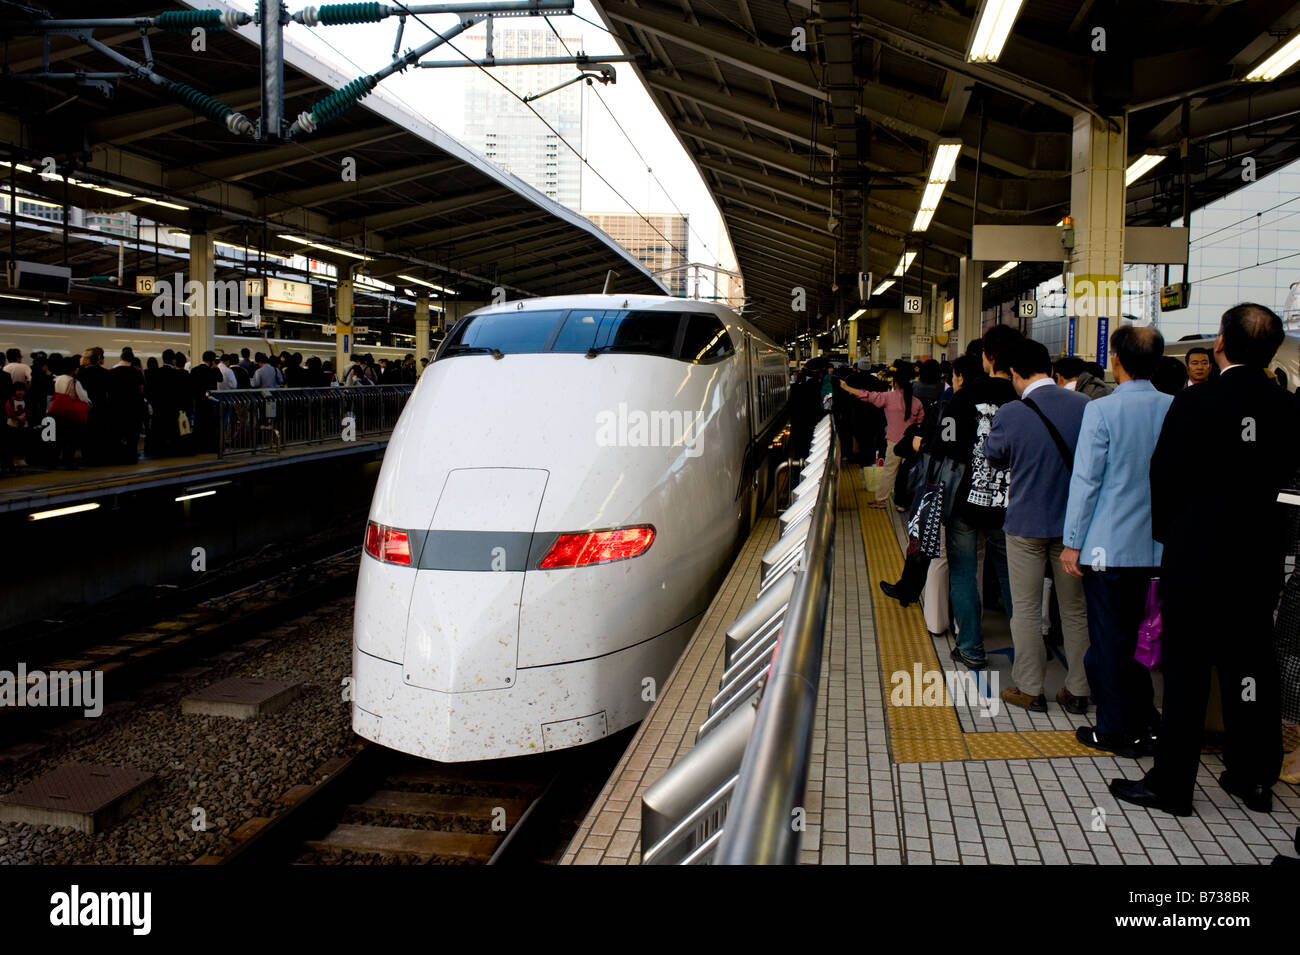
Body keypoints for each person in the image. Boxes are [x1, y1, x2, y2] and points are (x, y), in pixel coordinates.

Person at [1112, 304, 1300, 816]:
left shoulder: (1195, 402)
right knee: (1251, 666)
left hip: (1196, 557)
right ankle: (1254, 777)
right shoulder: (1286, 407)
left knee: (1188, 671)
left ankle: (1173, 784)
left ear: (1220, 344)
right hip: (1258, 559)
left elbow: (1164, 476)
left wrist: (1173, 536)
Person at [1061, 325, 1172, 757]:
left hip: (1108, 547)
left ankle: (1112, 728)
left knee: (1110, 640)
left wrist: (1073, 542)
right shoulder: (1175, 407)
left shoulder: (1102, 411)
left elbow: (1087, 481)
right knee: (1144, 637)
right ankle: (1146, 717)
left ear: (1116, 361)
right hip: (1159, 548)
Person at [982, 338, 1092, 712]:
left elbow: (995, 456)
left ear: (1014, 373)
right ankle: (1078, 689)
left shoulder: (1012, 412)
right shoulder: (1085, 406)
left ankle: (1029, 688)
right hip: (1073, 528)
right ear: (1051, 369)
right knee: (1074, 610)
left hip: (1026, 523)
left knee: (1027, 607)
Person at [931, 326, 1021, 670]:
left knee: (964, 573)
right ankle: (1026, 650)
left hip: (965, 504)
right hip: (1009, 505)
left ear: (989, 356)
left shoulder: (964, 396)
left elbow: (944, 444)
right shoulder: (1021, 397)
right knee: (1012, 576)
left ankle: (970, 647)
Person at [839, 361, 923, 508]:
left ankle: (881, 500)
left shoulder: (889, 397)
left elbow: (867, 396)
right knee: (907, 474)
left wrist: (847, 388)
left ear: (896, 383)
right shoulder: (916, 402)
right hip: (912, 444)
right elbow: (921, 422)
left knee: (890, 472)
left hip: (895, 442)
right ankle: (903, 503)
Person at [106, 348, 145, 464]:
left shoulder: (112, 372)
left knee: (117, 434)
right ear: (132, 360)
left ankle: (117, 456)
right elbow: (141, 390)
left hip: (116, 409)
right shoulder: (137, 373)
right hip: (132, 409)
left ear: (120, 358)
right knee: (132, 435)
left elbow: (107, 393)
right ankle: (131, 457)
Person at [51, 356, 90, 468]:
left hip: (57, 411)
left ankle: (53, 461)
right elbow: (83, 397)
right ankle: (68, 462)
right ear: (73, 369)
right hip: (70, 413)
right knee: (70, 439)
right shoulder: (73, 382)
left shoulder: (56, 379)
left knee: (57, 439)